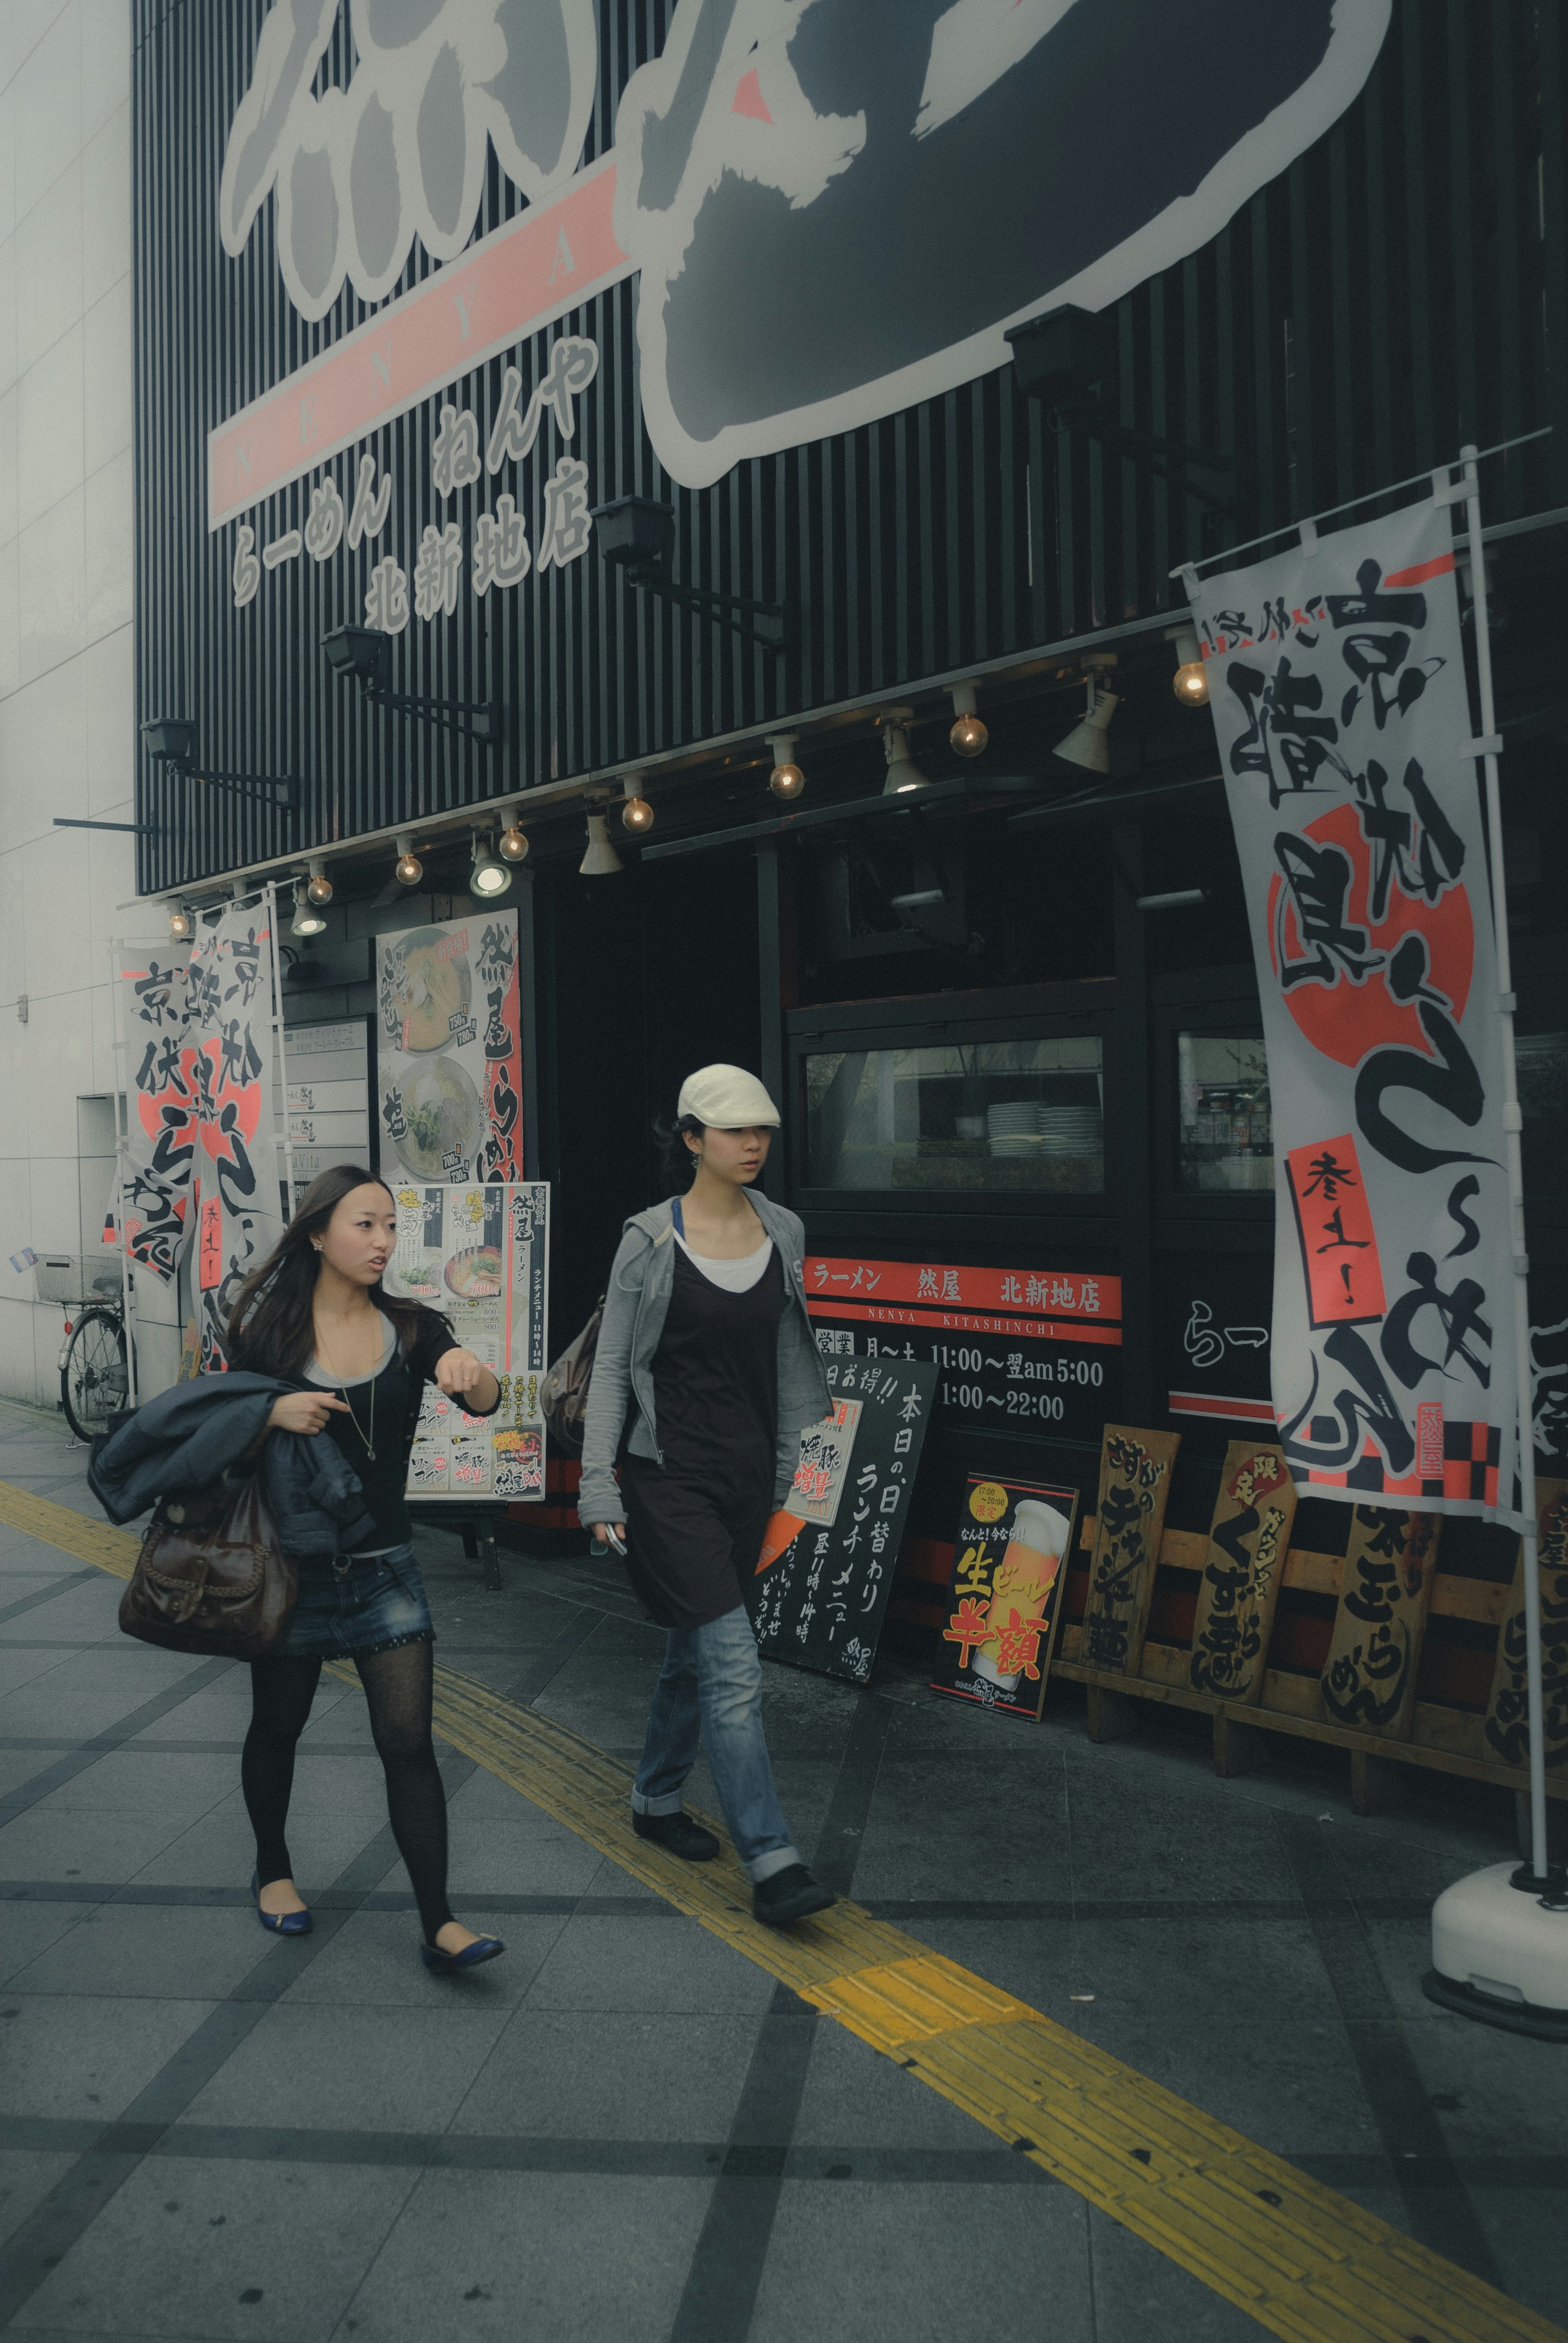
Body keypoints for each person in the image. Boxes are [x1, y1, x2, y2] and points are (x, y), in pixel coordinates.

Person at [226, 1165, 506, 1974]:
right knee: (279, 1728)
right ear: (318, 1234)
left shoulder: (415, 1329)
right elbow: (215, 1432)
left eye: (391, 1225)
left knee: (408, 1742)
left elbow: (486, 1402)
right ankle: (273, 1870)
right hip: (294, 1571)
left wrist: (471, 1373)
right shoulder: (268, 1335)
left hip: (385, 1571)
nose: (383, 1241)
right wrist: (268, 1409)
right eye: (364, 1225)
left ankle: (440, 1923)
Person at [578, 1064, 837, 1927]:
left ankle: (655, 1799)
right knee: (733, 1666)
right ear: (692, 1139)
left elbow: (796, 1357)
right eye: (733, 1131)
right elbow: (612, 1370)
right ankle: (773, 1861)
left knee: (694, 1653)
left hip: (749, 1478)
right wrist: (597, 1491)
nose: (754, 1144)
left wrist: (811, 1475)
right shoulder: (649, 1241)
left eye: (762, 1130)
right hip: (667, 1479)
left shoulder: (785, 1230)